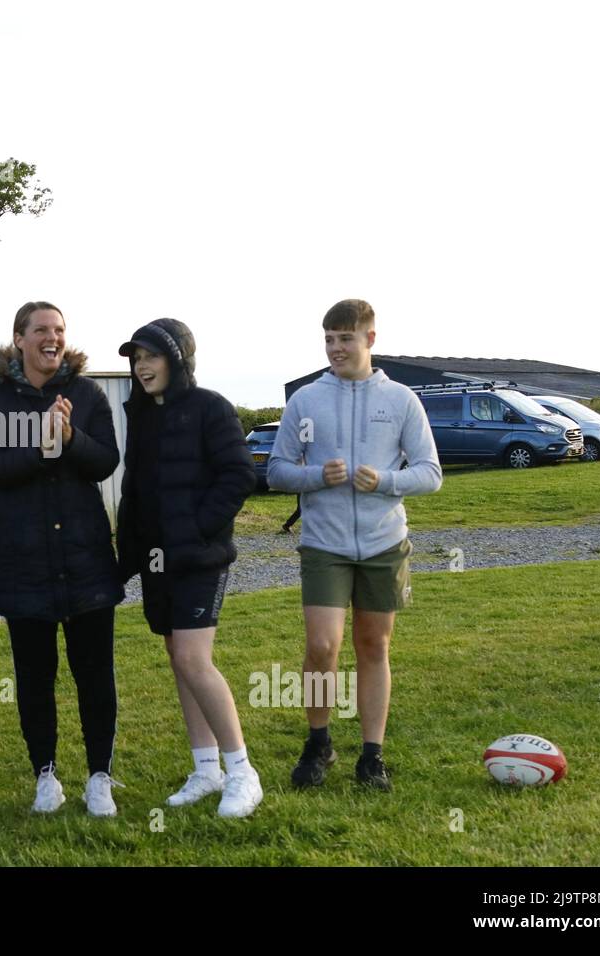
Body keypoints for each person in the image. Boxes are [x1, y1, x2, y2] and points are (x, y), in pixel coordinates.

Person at [267, 299, 442, 790]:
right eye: (328, 339)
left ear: (370, 339)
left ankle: (372, 756)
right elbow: (277, 471)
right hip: (324, 542)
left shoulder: (402, 399)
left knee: (374, 644)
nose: (335, 348)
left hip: (385, 543)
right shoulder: (305, 400)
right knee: (322, 646)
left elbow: (430, 474)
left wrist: (386, 481)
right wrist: (315, 475)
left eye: (345, 338)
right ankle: (318, 743)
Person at [0, 301, 125, 816]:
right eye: (41, 330)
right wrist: (41, 448)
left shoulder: (86, 394)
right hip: (26, 561)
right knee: (35, 678)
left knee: (95, 674)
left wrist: (71, 438)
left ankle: (100, 775)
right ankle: (46, 775)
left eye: (58, 329)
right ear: (19, 339)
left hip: (85, 558)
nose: (51, 338)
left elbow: (106, 461)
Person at [114, 319, 263, 817]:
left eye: (150, 356)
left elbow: (240, 473)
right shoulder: (140, 415)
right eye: (135, 359)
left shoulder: (211, 408)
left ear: (177, 359)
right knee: (179, 659)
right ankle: (205, 771)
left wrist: (198, 529)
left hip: (201, 558)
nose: (141, 366)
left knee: (196, 660)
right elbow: (135, 491)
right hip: (159, 563)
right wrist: (127, 558)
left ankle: (242, 772)